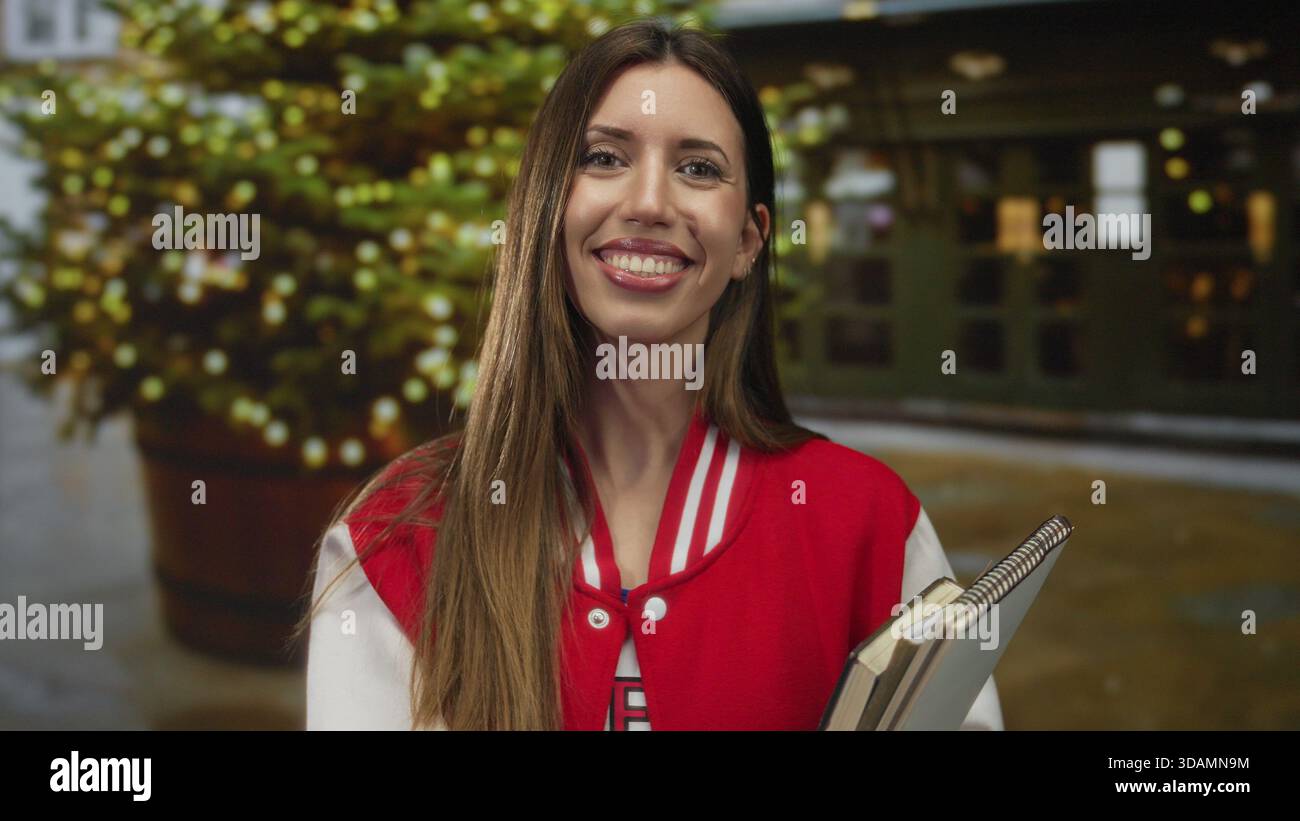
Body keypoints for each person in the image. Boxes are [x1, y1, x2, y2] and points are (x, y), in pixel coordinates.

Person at [303, 18, 1004, 731]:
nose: (648, 203)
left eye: (698, 168)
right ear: (549, 209)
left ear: (749, 240)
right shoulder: (399, 535)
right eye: (605, 158)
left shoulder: (872, 523)